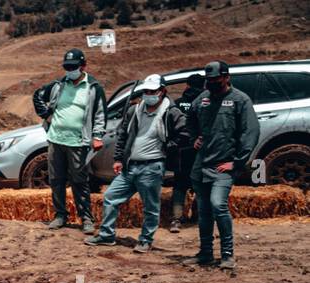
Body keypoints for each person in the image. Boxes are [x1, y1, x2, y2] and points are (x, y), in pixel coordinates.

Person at [86, 74, 186, 253]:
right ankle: (107, 235)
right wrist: (118, 159)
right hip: (131, 166)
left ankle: (146, 240)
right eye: (146, 91)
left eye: (152, 91)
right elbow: (123, 135)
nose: (148, 94)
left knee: (150, 207)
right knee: (110, 197)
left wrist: (168, 147)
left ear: (162, 91)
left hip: (152, 166)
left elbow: (185, 133)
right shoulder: (135, 111)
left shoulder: (171, 112)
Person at [185, 61, 259, 270]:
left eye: (215, 80)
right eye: (208, 80)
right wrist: (193, 138)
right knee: (204, 210)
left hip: (223, 166)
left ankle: (227, 254)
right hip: (201, 166)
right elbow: (190, 117)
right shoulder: (203, 98)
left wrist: (236, 162)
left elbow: (250, 133)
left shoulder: (240, 100)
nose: (211, 84)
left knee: (218, 205)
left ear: (226, 77)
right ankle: (205, 253)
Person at [32, 48, 107, 234]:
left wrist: (97, 137)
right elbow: (37, 96)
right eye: (67, 67)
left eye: (73, 67)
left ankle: (86, 218)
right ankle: (60, 215)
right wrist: (47, 115)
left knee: (79, 181)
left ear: (83, 66)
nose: (69, 70)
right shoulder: (59, 85)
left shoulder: (93, 88)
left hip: (78, 142)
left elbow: (100, 114)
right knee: (56, 179)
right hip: (56, 140)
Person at [166, 74, 205, 233]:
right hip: (200, 149)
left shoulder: (177, 104)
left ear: (187, 86)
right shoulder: (206, 102)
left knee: (180, 185)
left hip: (181, 151)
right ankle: (198, 216)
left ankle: (176, 220)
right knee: (200, 185)